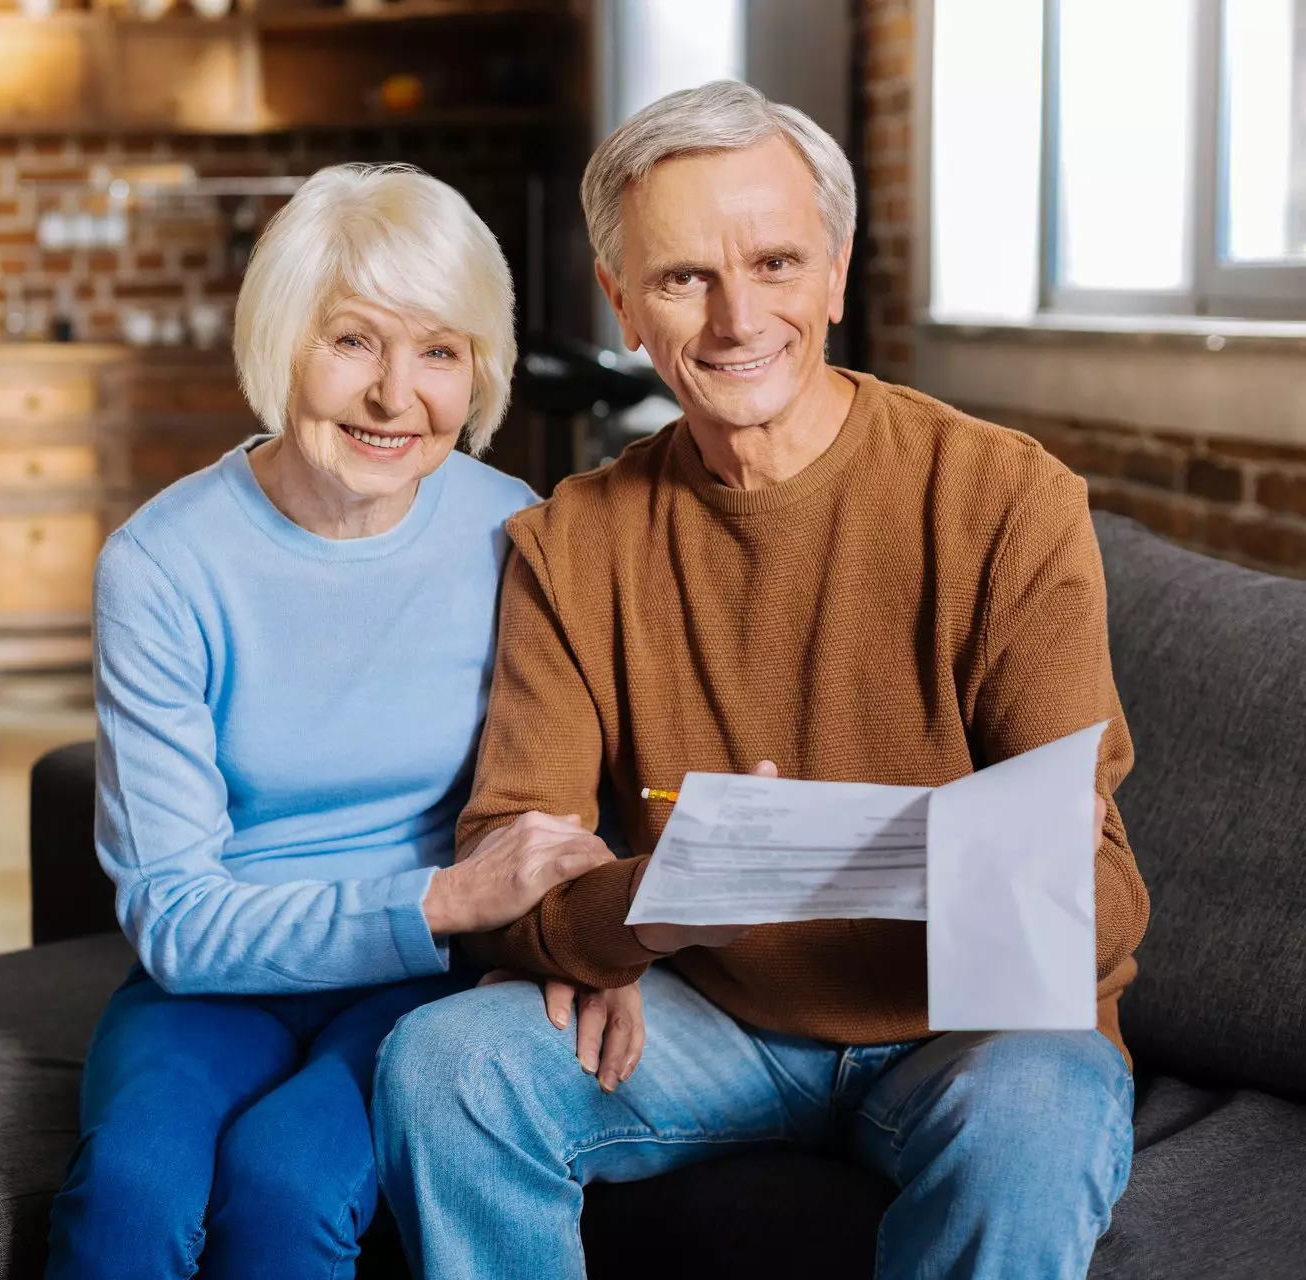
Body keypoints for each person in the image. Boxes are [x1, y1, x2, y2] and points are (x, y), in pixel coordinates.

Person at [372, 81, 1151, 1280]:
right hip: (703, 1017)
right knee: (446, 1064)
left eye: (777, 262)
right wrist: (645, 913)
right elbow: (509, 881)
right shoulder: (570, 542)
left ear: (835, 275)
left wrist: (942, 858)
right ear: (623, 304)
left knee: (1036, 1119)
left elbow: (1104, 912)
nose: (738, 317)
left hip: (973, 1030)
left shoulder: (1006, 500)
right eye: (684, 277)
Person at [44, 163, 618, 1280]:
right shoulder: (163, 565)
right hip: (215, 978)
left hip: (428, 981)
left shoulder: (524, 537)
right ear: (281, 341)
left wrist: (575, 931)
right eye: (354, 340)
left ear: (479, 373)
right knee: (129, 1192)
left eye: (439, 352)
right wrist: (444, 899)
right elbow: (176, 918)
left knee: (288, 1183)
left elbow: (570, 799)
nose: (394, 396)